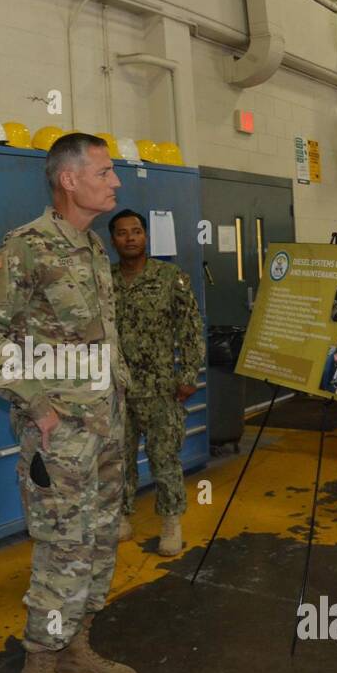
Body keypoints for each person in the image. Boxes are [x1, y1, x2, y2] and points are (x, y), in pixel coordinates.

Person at [0, 133, 134, 673]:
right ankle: (40, 666)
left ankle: (77, 648)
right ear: (69, 180)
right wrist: (37, 406)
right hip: (60, 438)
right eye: (105, 172)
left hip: (107, 426)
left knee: (103, 540)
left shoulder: (92, 248)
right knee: (64, 549)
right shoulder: (26, 247)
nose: (114, 182)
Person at [108, 208, 204, 556]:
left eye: (136, 231)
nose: (130, 237)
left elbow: (191, 328)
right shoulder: (105, 280)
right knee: (118, 459)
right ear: (113, 239)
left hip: (162, 389)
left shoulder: (169, 277)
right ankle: (121, 516)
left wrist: (189, 374)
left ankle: (170, 523)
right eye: (122, 232)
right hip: (117, 391)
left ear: (145, 236)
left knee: (164, 458)